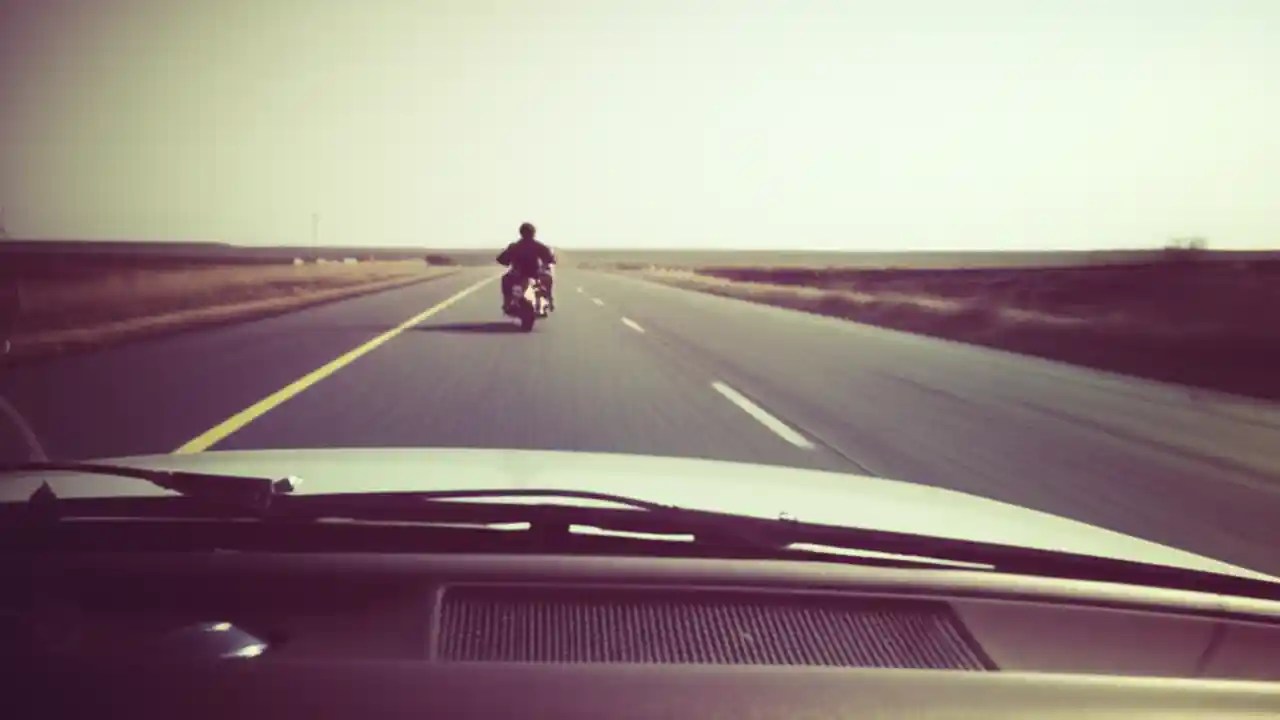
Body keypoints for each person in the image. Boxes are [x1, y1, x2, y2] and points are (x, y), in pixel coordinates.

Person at [498, 222, 556, 311]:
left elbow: (502, 259)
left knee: (505, 279)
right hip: (531, 273)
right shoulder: (537, 246)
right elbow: (550, 259)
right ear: (534, 233)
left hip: (523, 274)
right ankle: (549, 299)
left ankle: (507, 302)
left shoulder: (516, 246)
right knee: (548, 278)